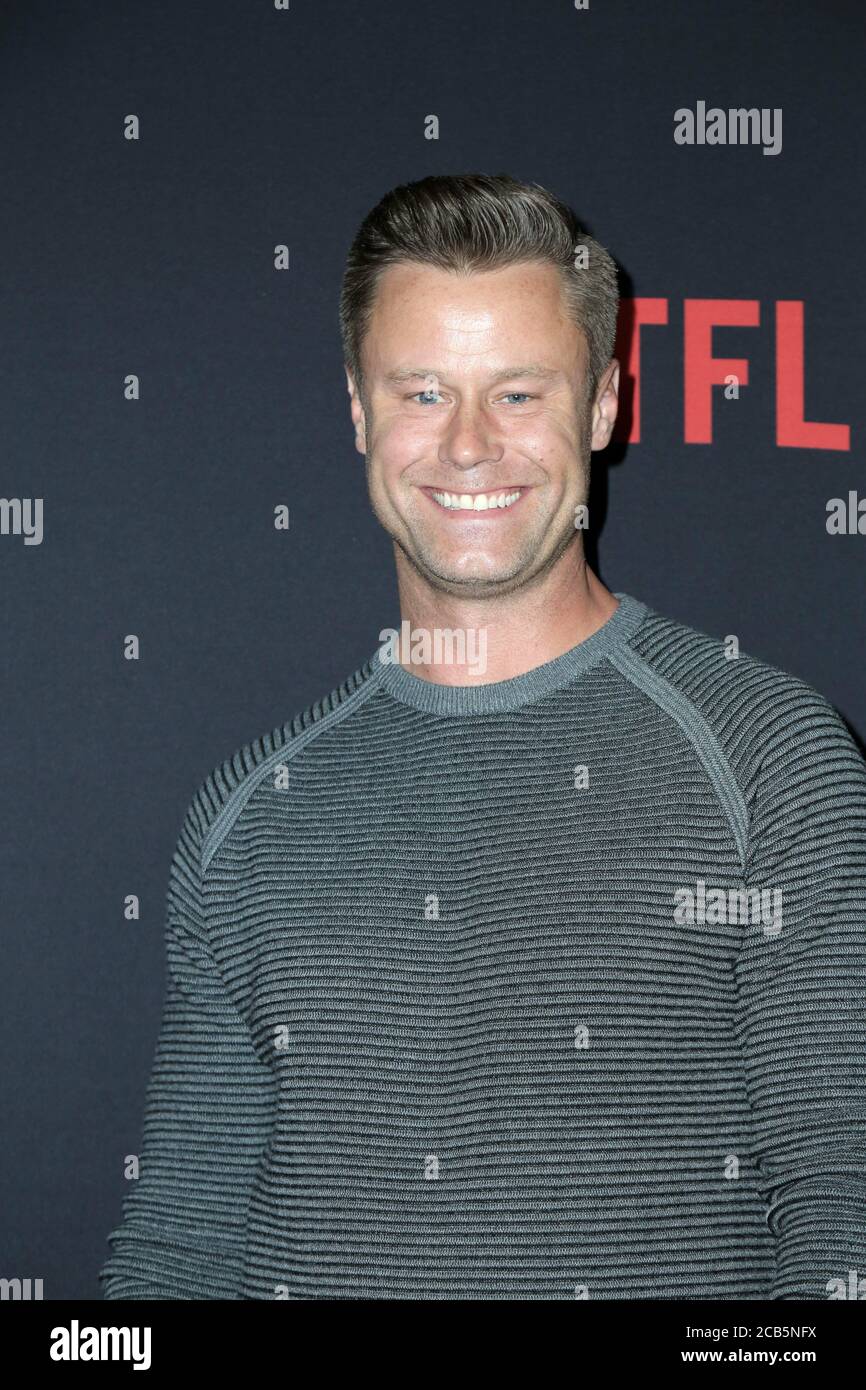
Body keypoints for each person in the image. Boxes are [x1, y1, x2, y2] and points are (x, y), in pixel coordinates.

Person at [99, 173, 866, 1300]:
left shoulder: (769, 758)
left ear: (602, 407)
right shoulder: (245, 815)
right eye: (421, 391)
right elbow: (176, 1253)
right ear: (358, 411)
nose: (466, 447)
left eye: (516, 393)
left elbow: (841, 1212)